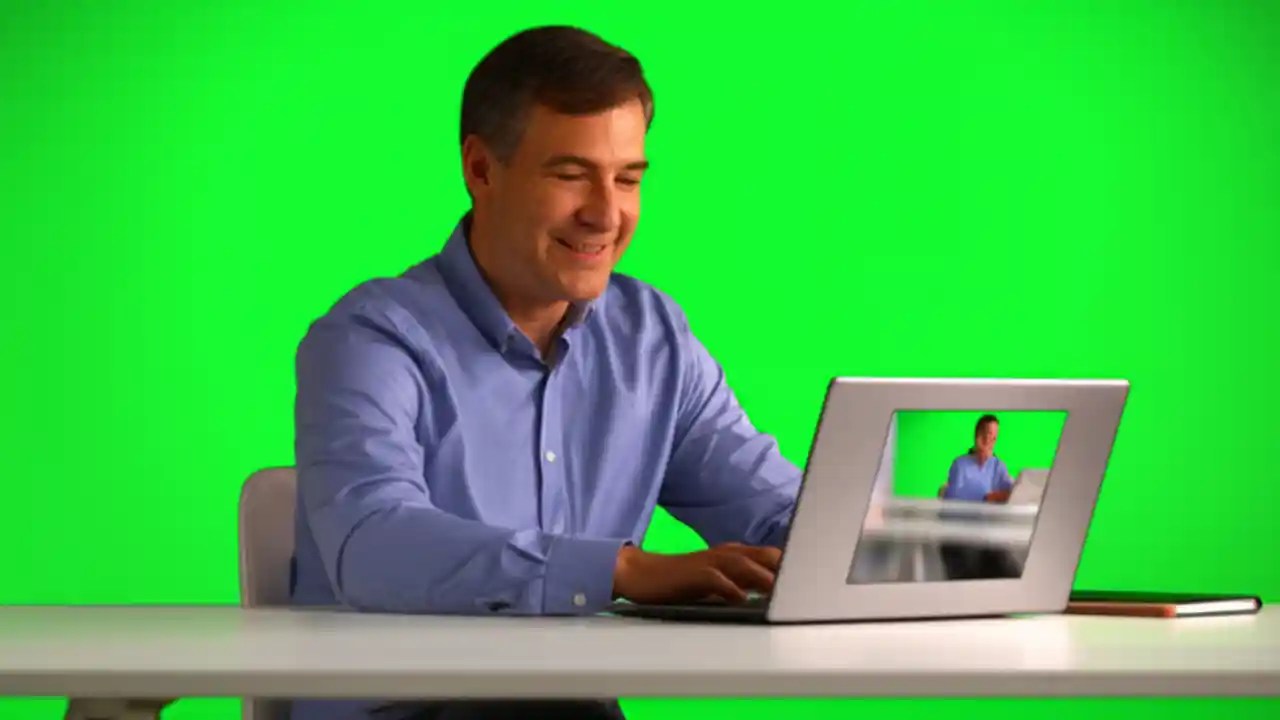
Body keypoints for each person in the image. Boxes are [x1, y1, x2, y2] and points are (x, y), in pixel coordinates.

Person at [288, 25, 802, 720]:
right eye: (570, 175)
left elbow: (778, 515)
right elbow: (372, 541)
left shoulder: (652, 339)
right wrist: (618, 570)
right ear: (481, 170)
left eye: (628, 178)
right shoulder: (371, 339)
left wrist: (944, 545)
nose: (605, 213)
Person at [937, 414, 1020, 580]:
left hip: (986, 534)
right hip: (959, 533)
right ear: (977, 435)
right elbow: (954, 501)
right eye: (986, 435)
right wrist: (986, 498)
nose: (989, 440)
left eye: (994, 437)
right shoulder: (960, 464)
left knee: (1007, 566)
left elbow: (1012, 492)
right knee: (969, 566)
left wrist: (1007, 495)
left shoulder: (998, 466)